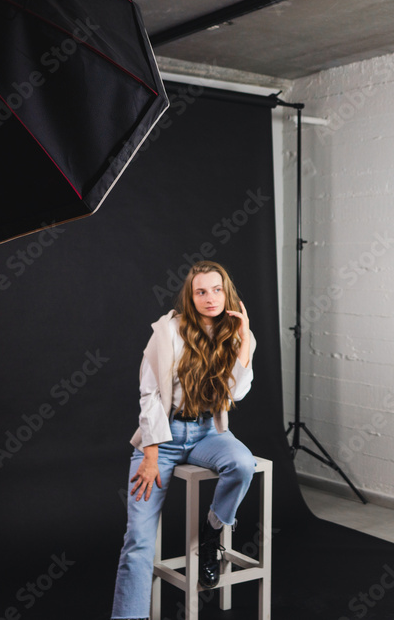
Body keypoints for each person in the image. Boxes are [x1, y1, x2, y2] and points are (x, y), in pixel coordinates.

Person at [111, 261, 258, 620]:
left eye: (217, 290)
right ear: (190, 298)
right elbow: (149, 396)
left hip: (209, 432)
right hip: (164, 438)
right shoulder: (167, 332)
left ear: (227, 292)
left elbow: (235, 392)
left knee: (242, 464)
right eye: (201, 292)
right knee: (139, 542)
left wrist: (245, 343)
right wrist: (150, 453)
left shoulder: (238, 334)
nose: (210, 298)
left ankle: (212, 531)